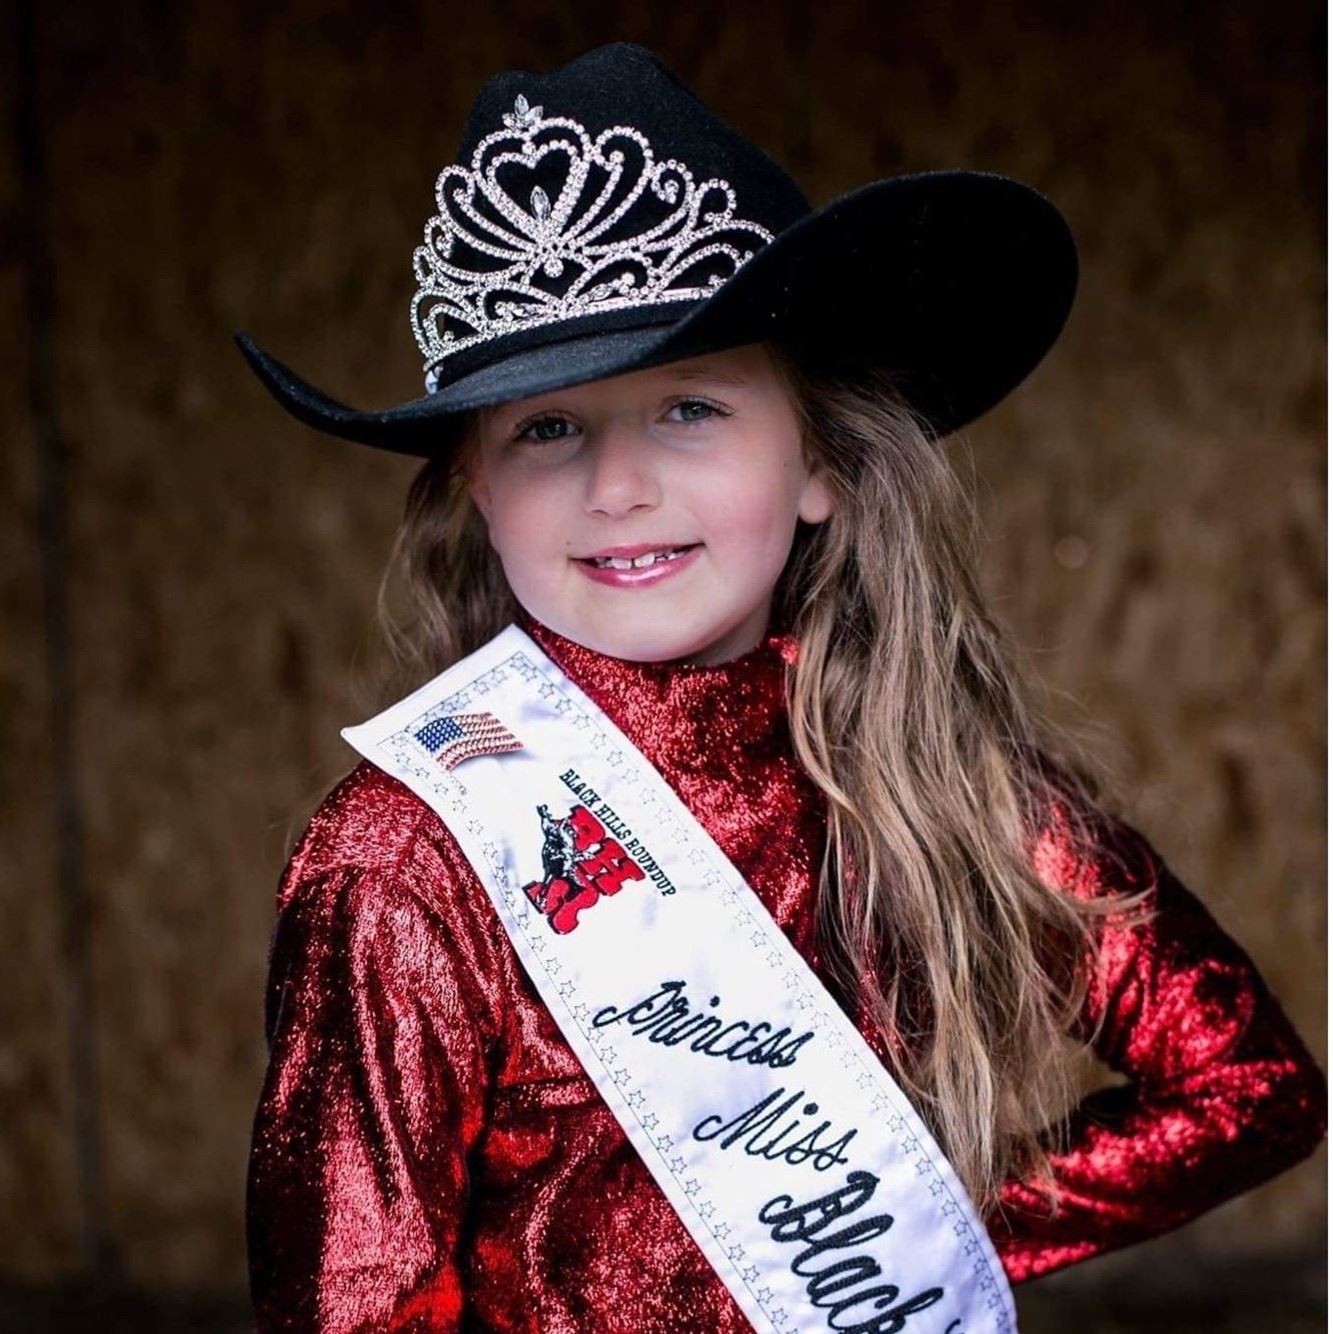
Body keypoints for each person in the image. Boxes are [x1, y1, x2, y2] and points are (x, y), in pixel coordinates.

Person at [234, 41, 1325, 1333]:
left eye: (687, 407)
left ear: (819, 463)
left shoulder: (934, 782)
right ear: (477, 485)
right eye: (546, 426)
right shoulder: (406, 857)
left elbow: (1244, 1083)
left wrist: (920, 1233)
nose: (619, 484)